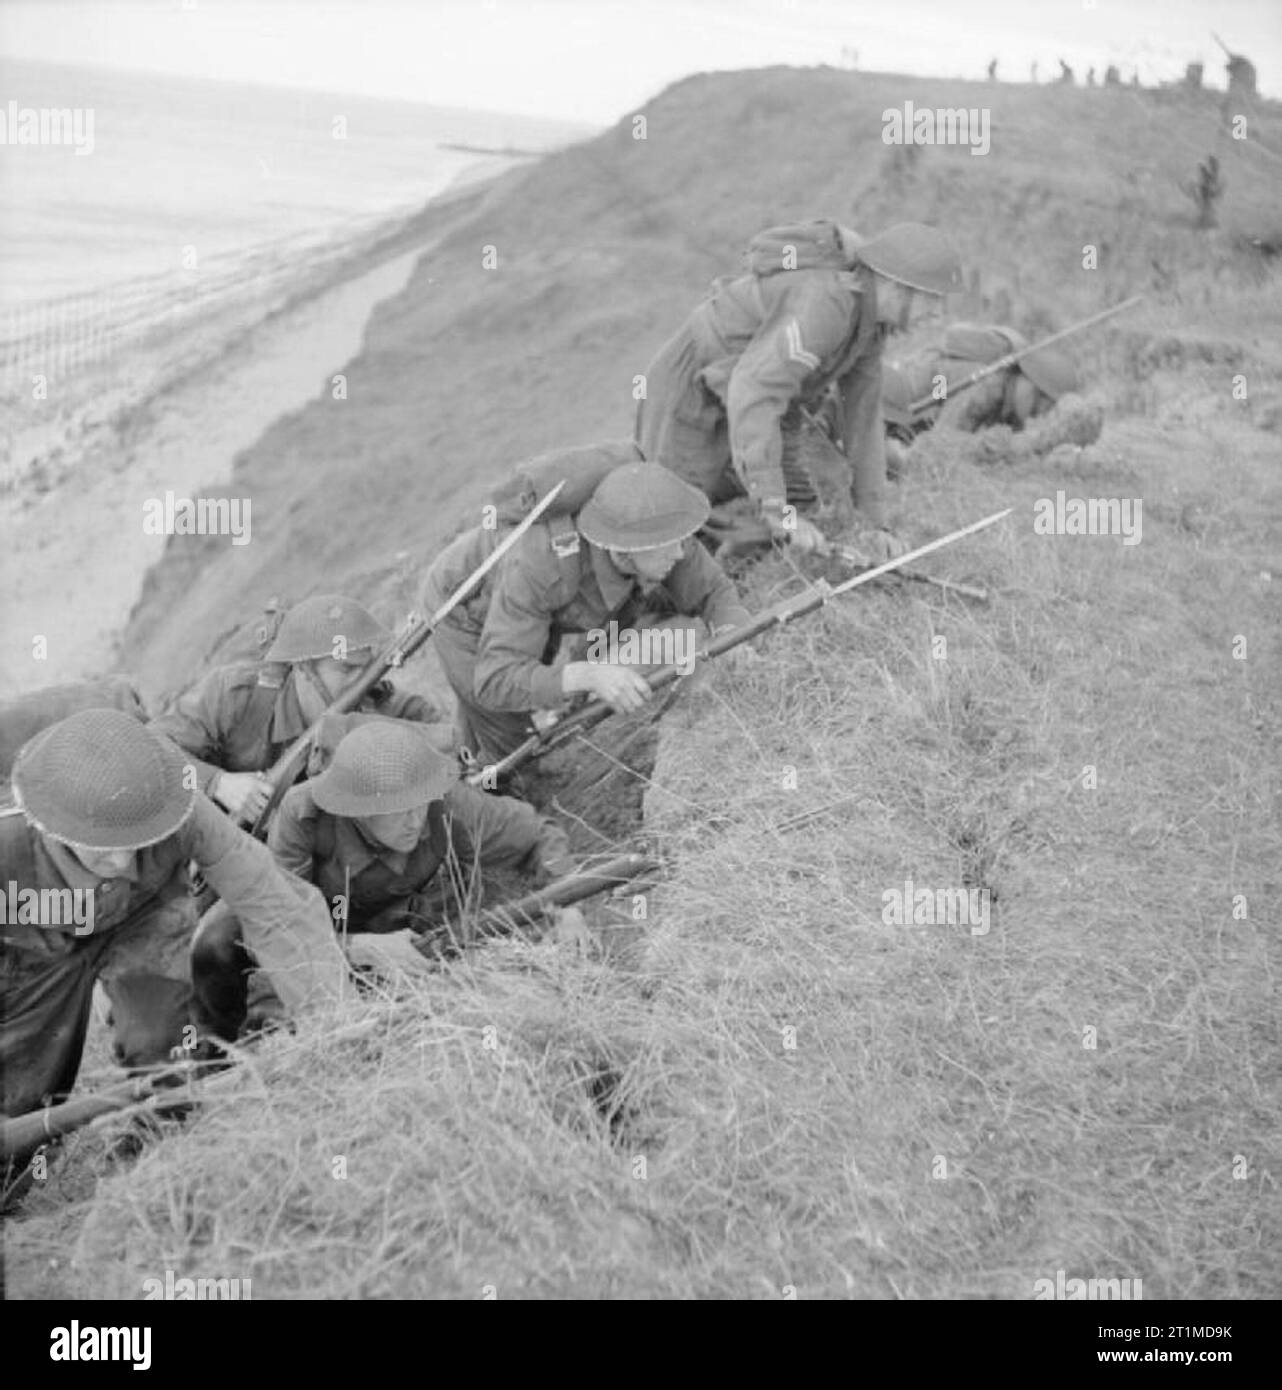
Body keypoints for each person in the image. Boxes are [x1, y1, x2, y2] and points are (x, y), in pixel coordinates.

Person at [0, 710, 347, 1120]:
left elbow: (274, 903)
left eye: (134, 841)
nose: (121, 858)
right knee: (20, 1092)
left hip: (141, 922)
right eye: (101, 847)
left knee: (162, 1049)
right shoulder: (9, 848)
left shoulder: (179, 811)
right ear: (55, 831)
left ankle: (160, 1125)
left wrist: (335, 1028)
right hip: (35, 950)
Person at [192, 719, 585, 1035]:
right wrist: (362, 948)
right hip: (323, 935)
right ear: (356, 809)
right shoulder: (303, 818)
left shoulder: (443, 800)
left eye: (419, 806)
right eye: (399, 810)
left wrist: (568, 904)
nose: (416, 819)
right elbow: (279, 927)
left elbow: (537, 835)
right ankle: (219, 1045)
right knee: (217, 944)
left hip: (411, 927)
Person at [635, 219, 963, 557]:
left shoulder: (870, 324)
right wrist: (776, 508)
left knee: (818, 494)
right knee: (674, 517)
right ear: (895, 286)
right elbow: (754, 391)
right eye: (932, 299)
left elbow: (863, 421)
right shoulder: (826, 303)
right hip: (694, 388)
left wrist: (875, 523)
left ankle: (749, 569)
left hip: (766, 403)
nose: (936, 314)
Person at [420, 459, 751, 767]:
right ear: (623, 550)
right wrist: (588, 675)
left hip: (536, 602)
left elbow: (714, 593)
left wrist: (732, 637)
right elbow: (495, 679)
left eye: (683, 541)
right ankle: (457, 769)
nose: (682, 553)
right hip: (462, 604)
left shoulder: (656, 526)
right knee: (509, 748)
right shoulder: (541, 565)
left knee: (543, 685)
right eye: (672, 546)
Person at [149, 593, 442, 825]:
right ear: (303, 668)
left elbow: (433, 728)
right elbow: (149, 748)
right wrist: (219, 784)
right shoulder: (234, 694)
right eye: (346, 670)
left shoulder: (373, 704)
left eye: (366, 669)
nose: (361, 682)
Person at [881, 324, 1079, 439]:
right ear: (1027, 380)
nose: (1036, 415)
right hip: (889, 404)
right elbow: (943, 443)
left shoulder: (1009, 402)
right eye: (1037, 404)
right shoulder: (987, 385)